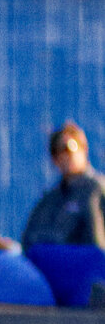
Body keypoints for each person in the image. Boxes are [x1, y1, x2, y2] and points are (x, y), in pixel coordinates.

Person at [21, 123, 105, 307]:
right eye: (57, 152)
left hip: (91, 275)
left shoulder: (96, 190)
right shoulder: (52, 198)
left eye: (69, 148)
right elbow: (29, 238)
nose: (63, 156)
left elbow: (98, 245)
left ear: (83, 149)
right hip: (56, 276)